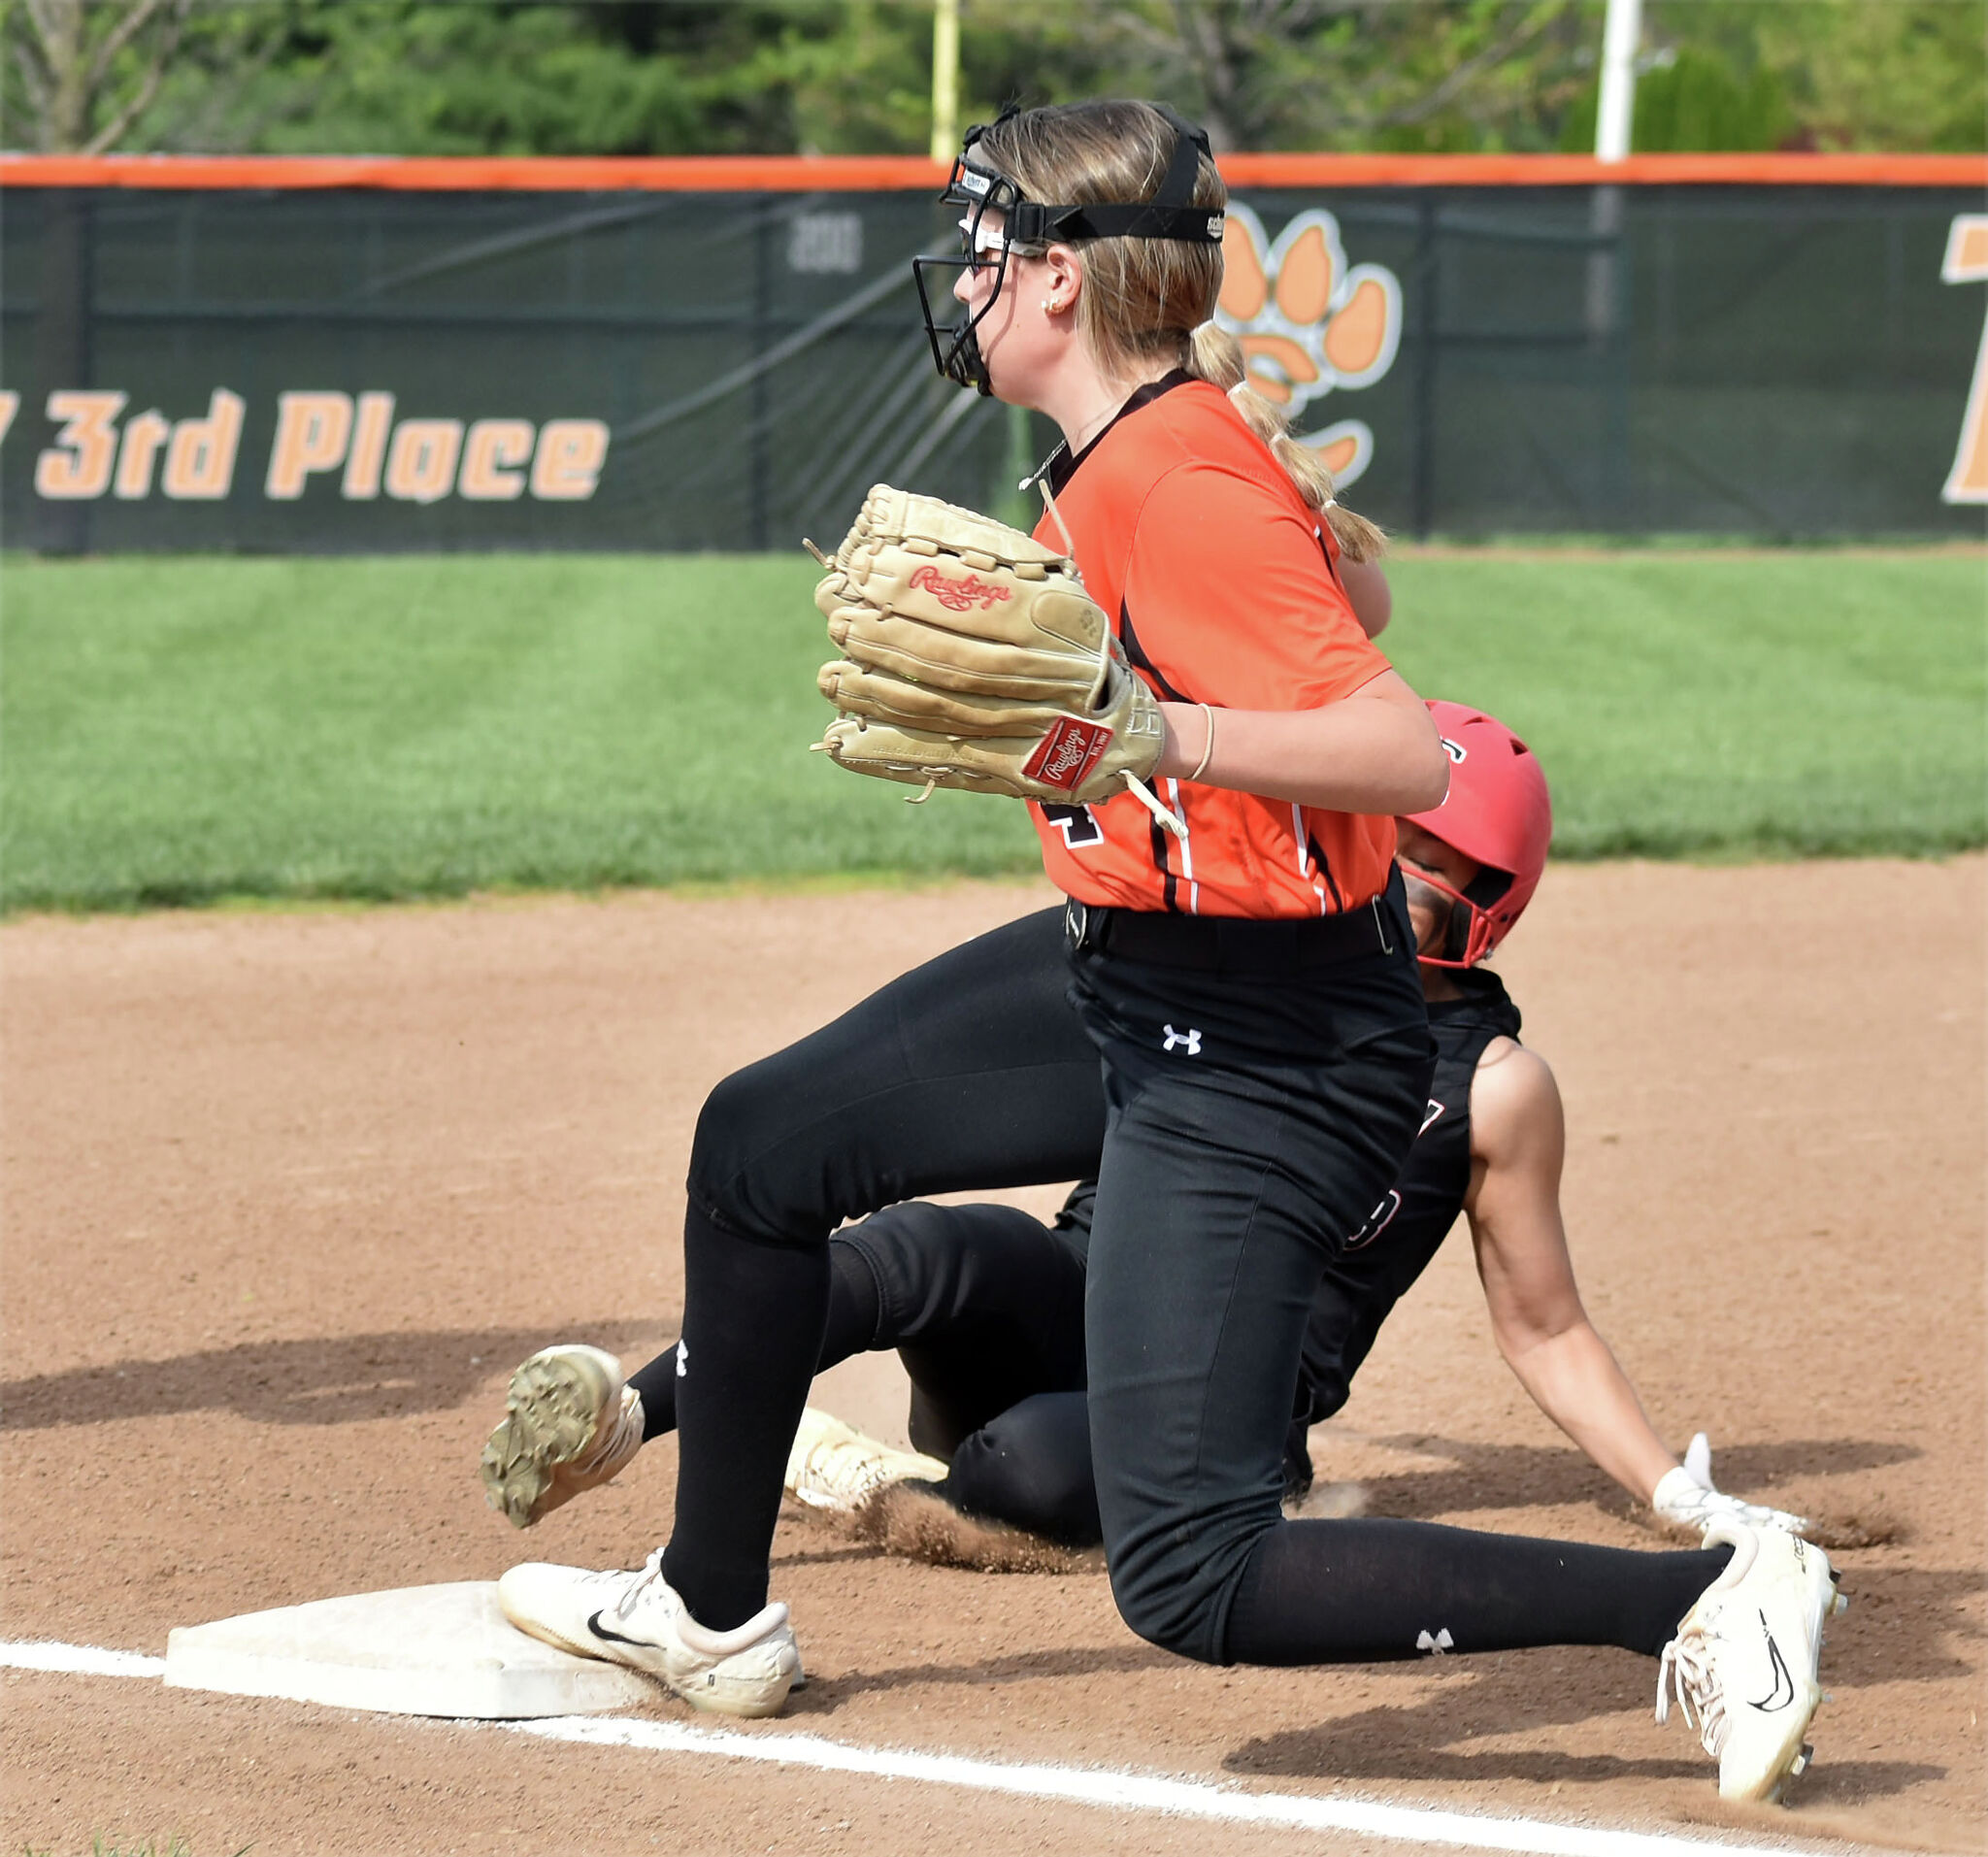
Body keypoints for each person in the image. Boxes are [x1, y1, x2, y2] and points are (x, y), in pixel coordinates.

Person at [487, 102, 1839, 1802]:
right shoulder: (1172, 432)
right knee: (762, 1142)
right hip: (1134, 958)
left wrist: (1155, 730)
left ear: (1060, 279)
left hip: (1271, 1037)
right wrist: (1294, 563)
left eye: (984, 247)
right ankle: (708, 1607)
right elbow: (1366, 605)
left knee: (1194, 1575)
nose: (962, 278)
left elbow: (1403, 748)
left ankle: (1715, 1597)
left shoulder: (1177, 474)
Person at [482, 704, 1808, 1565]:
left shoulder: (1494, 1085)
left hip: (1213, 1397)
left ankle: (840, 1468)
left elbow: (1545, 1323)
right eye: (1382, 844)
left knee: (1014, 1469)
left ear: (1489, 914)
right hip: (1070, 1298)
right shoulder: (1238, 947)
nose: (1393, 885)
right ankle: (631, 1414)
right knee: (913, 1251)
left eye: (1435, 875)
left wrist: (1677, 1497)